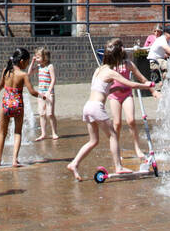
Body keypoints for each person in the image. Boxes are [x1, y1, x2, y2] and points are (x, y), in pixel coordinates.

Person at [66, 39, 157, 181]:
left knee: (93, 141)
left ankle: (74, 163)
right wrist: (149, 85)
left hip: (88, 106)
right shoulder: (110, 72)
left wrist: (118, 88)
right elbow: (131, 84)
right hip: (97, 108)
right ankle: (118, 167)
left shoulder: (98, 70)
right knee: (113, 135)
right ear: (116, 58)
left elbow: (100, 89)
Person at [0, 48, 40, 167]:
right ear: (21, 61)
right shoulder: (23, 75)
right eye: (27, 62)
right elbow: (32, 92)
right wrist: (42, 96)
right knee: (17, 132)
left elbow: (1, 85)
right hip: (18, 105)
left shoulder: (6, 71)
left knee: (2, 133)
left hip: (6, 104)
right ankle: (14, 160)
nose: (27, 64)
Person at [32, 48, 58, 141]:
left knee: (50, 113)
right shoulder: (39, 67)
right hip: (40, 92)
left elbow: (53, 79)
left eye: (38, 57)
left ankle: (54, 132)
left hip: (49, 92)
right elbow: (29, 72)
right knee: (41, 113)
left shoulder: (50, 66)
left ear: (45, 58)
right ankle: (43, 133)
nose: (36, 58)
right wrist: (32, 62)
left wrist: (49, 91)